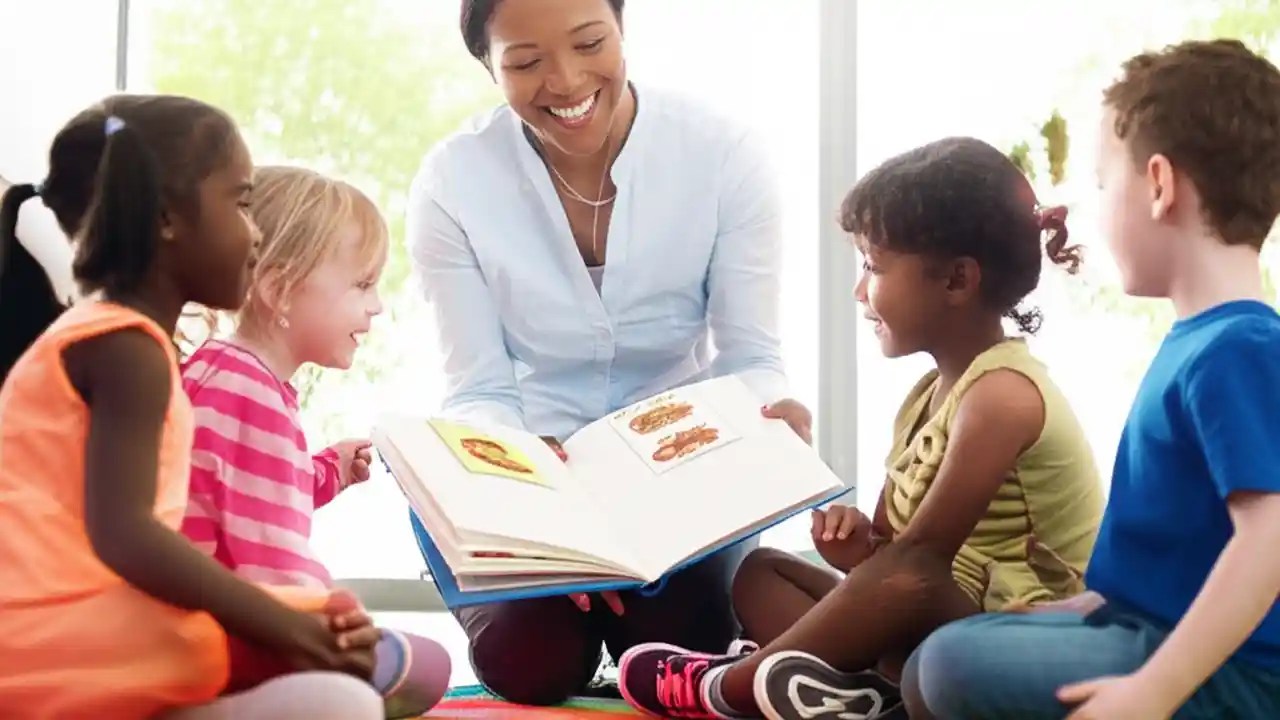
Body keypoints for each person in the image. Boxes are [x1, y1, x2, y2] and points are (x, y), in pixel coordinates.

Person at [405, 0, 812, 705]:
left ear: (623, 30)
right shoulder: (453, 181)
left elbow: (750, 357)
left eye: (590, 42)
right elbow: (478, 389)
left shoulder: (722, 154)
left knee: (684, 651)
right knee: (529, 666)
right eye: (525, 63)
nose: (564, 82)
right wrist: (543, 503)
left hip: (679, 473)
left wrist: (765, 415)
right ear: (487, 67)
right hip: (530, 474)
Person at [617, 137, 1106, 720]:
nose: (858, 292)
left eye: (872, 266)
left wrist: (881, 563)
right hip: (932, 616)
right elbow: (891, 552)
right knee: (761, 571)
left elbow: (918, 564)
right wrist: (856, 548)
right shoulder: (929, 395)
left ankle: (726, 690)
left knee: (904, 581)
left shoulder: (1002, 397)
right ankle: (861, 697)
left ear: (956, 281)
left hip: (1012, 641)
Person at [902, 39, 1280, 720]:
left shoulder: (1239, 347)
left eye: (1105, 184)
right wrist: (1084, 607)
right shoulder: (1201, 344)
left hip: (1238, 677)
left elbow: (1270, 536)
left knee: (946, 666)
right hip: (1135, 623)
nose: (1095, 208)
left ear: (1160, 185)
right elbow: (1190, 547)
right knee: (935, 662)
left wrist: (1154, 691)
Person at [0, 95, 384, 718]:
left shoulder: (120, 341)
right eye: (239, 203)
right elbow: (127, 536)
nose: (255, 232)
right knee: (341, 685)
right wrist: (291, 628)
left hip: (60, 634)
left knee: (338, 648)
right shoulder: (125, 350)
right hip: (53, 647)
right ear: (166, 219)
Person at [181, 165, 451, 718]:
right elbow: (271, 563)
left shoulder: (226, 372)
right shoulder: (249, 390)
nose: (376, 305)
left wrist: (328, 469)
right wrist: (334, 621)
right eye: (361, 285)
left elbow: (248, 492)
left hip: (204, 620)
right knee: (424, 666)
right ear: (279, 289)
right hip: (217, 634)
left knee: (402, 663)